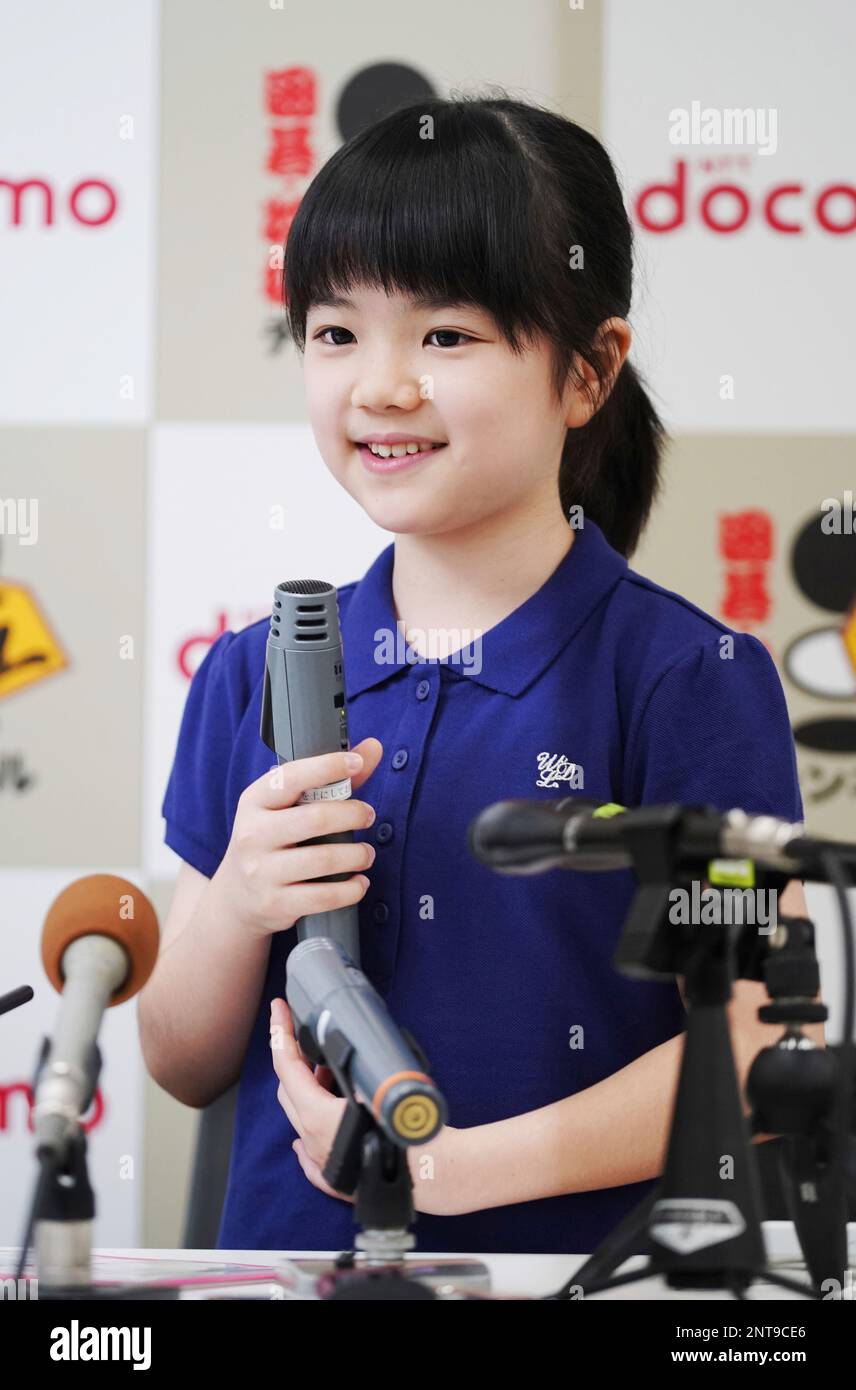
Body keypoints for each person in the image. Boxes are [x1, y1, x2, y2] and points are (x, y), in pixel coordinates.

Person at [139, 94, 818, 1256]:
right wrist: (241, 902)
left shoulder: (685, 677)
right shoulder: (255, 667)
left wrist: (450, 1171)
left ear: (587, 371)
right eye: (336, 332)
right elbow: (179, 1059)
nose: (380, 386)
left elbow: (756, 1044)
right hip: (292, 1272)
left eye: (444, 336)